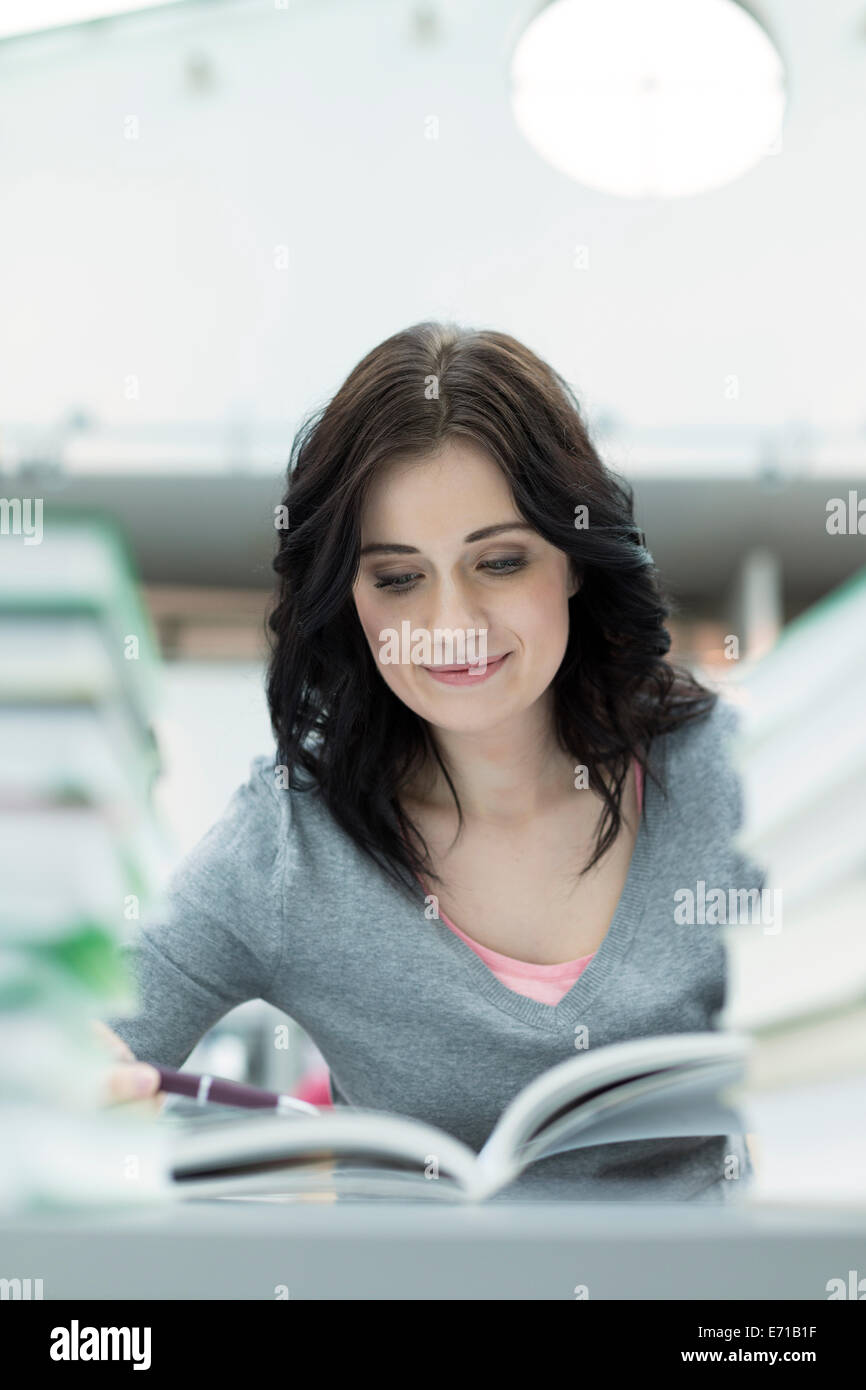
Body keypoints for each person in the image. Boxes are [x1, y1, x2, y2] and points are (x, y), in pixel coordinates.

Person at [100, 321, 763, 1200]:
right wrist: (87, 1085)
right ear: (349, 594)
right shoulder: (289, 845)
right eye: (399, 577)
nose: (452, 625)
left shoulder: (732, 775)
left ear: (573, 559)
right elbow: (86, 1043)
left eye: (498, 561)